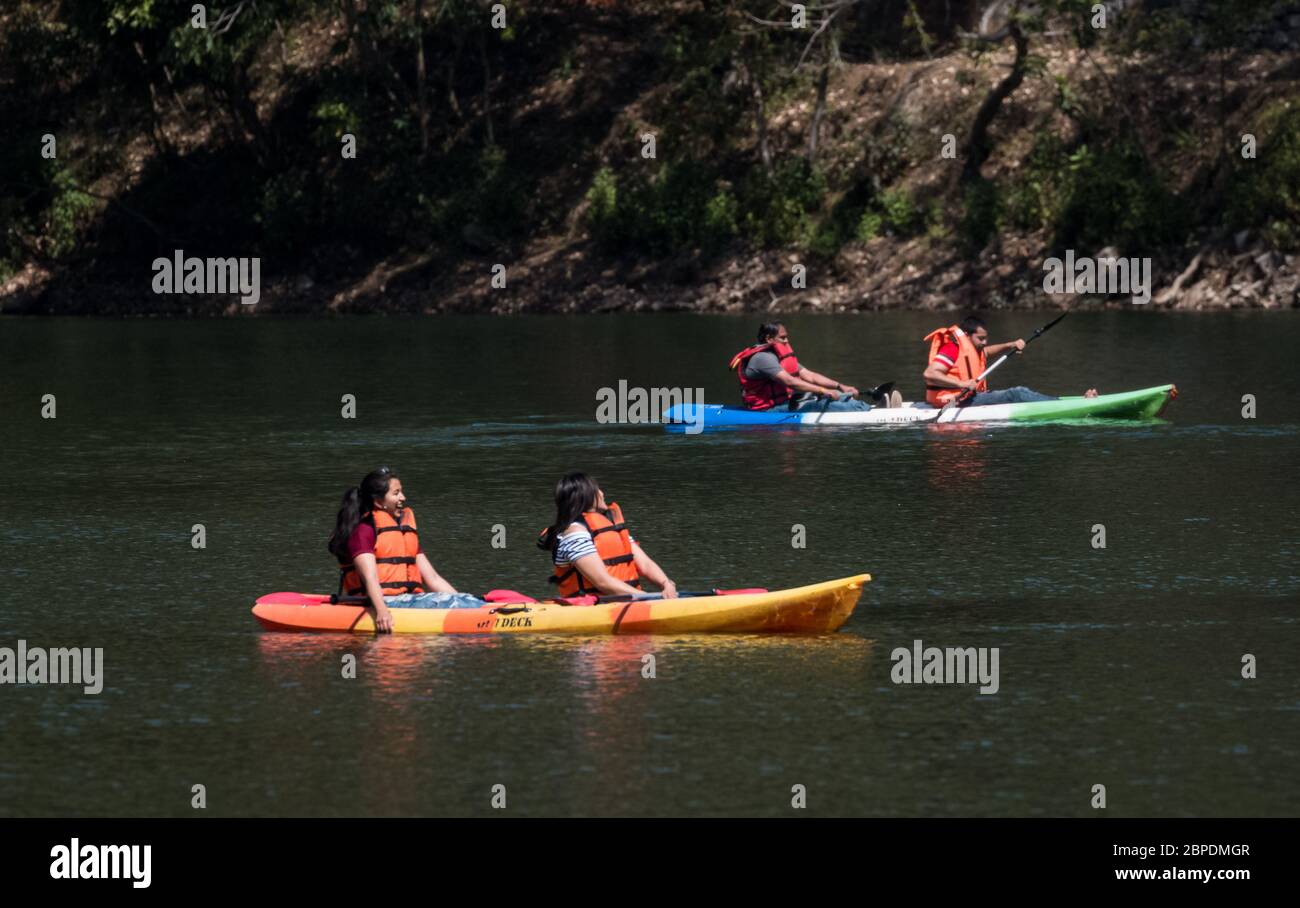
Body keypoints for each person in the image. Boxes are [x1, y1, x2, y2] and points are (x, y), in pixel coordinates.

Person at [327, 467, 470, 633]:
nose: (403, 497)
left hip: (409, 600)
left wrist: (461, 600)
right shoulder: (363, 531)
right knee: (459, 603)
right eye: (396, 493)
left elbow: (433, 578)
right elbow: (370, 578)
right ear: (379, 502)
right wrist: (381, 612)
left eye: (401, 492)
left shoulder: (403, 532)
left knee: (466, 600)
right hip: (382, 602)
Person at [537, 472, 678, 600]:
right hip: (592, 608)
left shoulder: (612, 528)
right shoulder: (575, 534)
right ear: (586, 495)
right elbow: (603, 582)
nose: (602, 493)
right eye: (597, 489)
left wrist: (666, 584)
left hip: (629, 602)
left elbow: (645, 565)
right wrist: (649, 598)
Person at [922, 316, 1098, 407]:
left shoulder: (972, 347)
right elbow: (930, 374)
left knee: (1019, 393)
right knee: (1017, 393)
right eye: (981, 339)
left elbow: (984, 353)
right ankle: (1072, 405)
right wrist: (962, 383)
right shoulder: (952, 348)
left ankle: (1065, 401)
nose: (985, 342)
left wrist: (1010, 345)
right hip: (955, 401)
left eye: (986, 338)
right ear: (967, 336)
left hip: (969, 397)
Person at [731, 322, 897, 412]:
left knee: (837, 394)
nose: (787, 341)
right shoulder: (762, 358)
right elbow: (791, 382)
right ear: (769, 338)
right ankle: (873, 411)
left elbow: (809, 375)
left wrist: (840, 386)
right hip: (768, 410)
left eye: (787, 337)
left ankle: (863, 405)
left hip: (784, 402)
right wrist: (823, 391)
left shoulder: (778, 354)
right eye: (783, 338)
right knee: (820, 402)